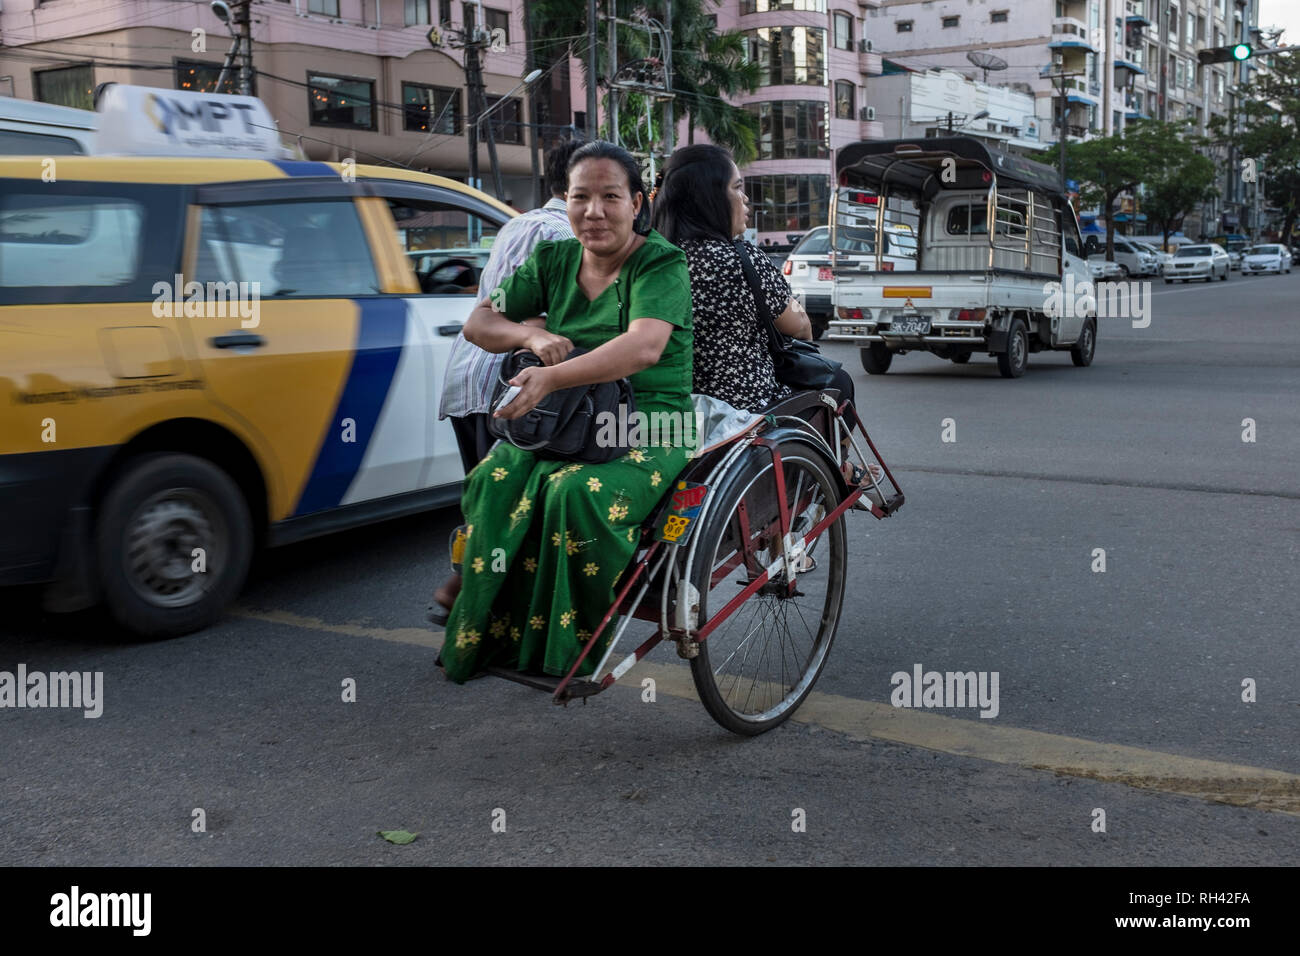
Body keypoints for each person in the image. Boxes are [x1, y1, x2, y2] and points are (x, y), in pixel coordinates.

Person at [435, 141, 694, 684]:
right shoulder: (552, 259)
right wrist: (529, 333)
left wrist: (553, 373)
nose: (593, 211)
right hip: (571, 416)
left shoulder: (661, 261)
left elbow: (642, 348)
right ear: (564, 199)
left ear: (637, 204)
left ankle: (564, 652)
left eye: (610, 197)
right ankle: (490, 637)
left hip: (650, 419)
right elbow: (479, 323)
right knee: (494, 479)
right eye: (581, 197)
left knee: (574, 492)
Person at [650, 144, 874, 489]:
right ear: (709, 197)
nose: (746, 200)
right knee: (838, 383)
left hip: (666, 413)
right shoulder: (738, 258)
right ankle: (834, 471)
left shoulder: (651, 260)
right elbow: (799, 327)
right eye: (738, 188)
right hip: (744, 410)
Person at [438, 138, 584, 473]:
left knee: (485, 502)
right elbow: (538, 322)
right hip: (512, 388)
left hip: (470, 380)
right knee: (514, 508)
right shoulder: (564, 235)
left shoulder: (522, 223)